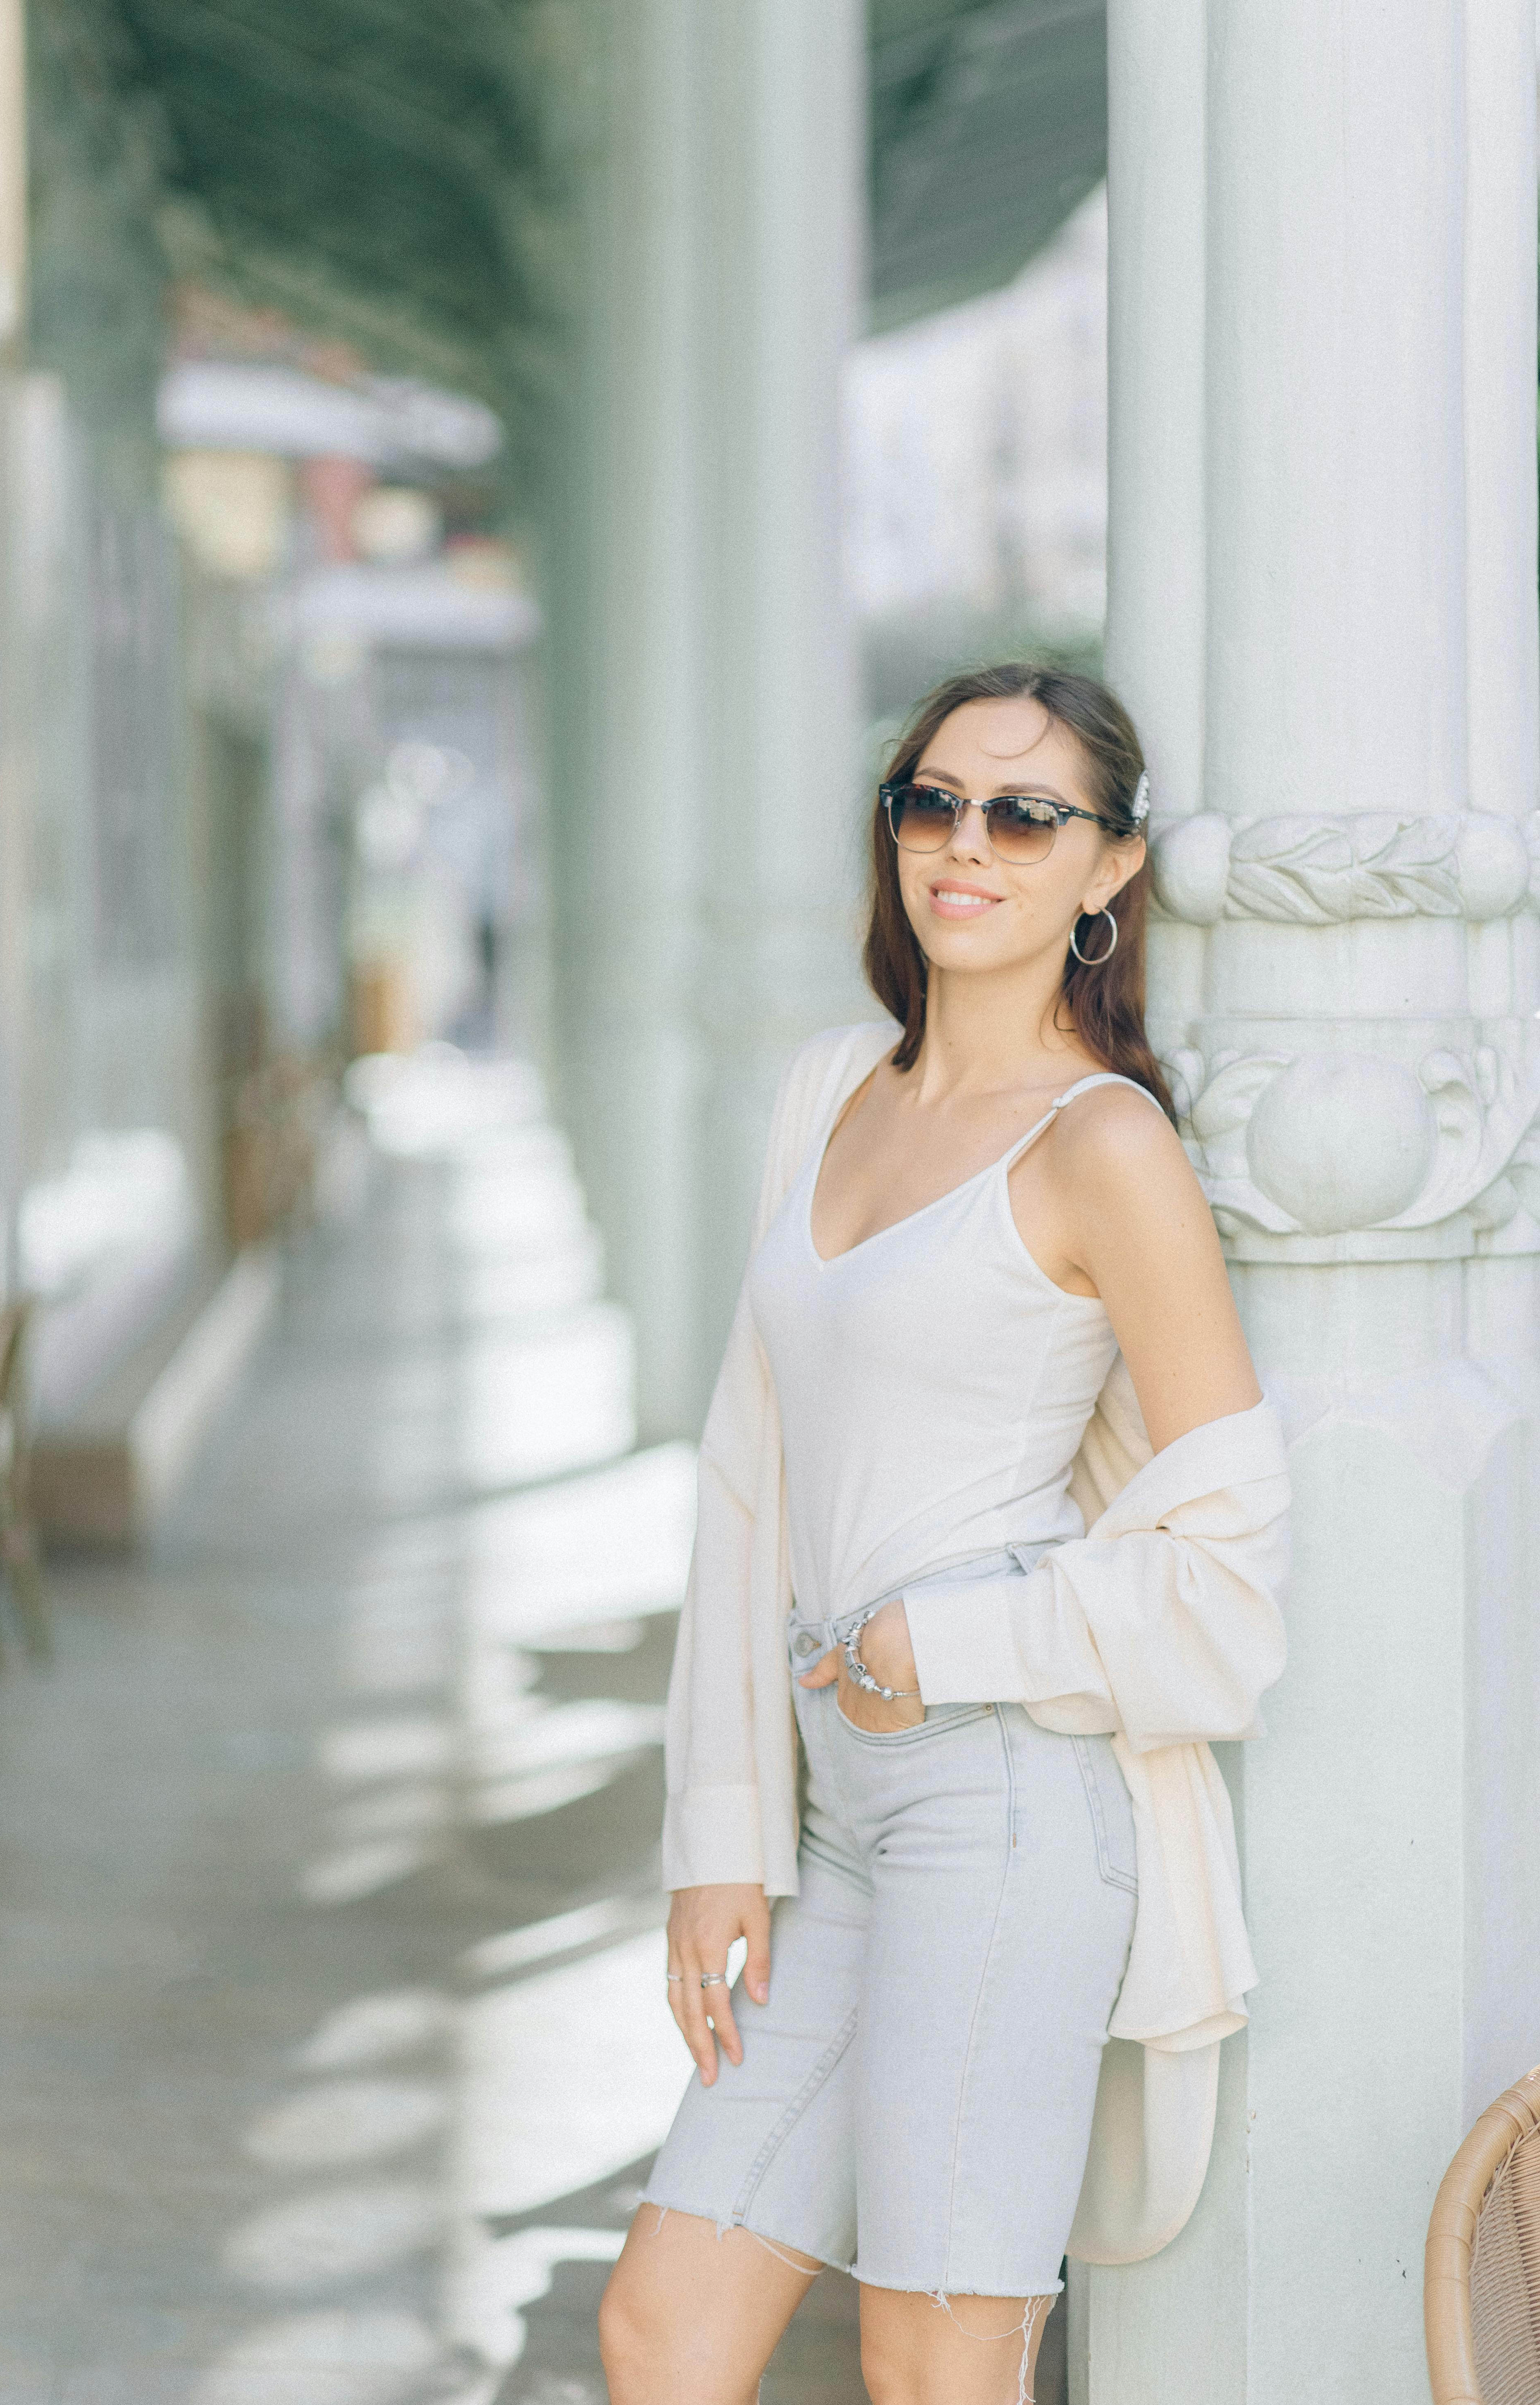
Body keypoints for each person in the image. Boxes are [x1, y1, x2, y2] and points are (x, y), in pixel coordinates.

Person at [599, 665, 1290, 2404]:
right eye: (928, 800)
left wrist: (940, 1642)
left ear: (1108, 871)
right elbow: (744, 1473)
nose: (960, 843)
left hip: (999, 1811)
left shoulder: (1100, 1144)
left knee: (930, 2361)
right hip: (839, 1821)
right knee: (662, 2329)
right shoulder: (836, 1088)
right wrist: (720, 1827)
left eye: (1020, 812)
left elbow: (1227, 1572)